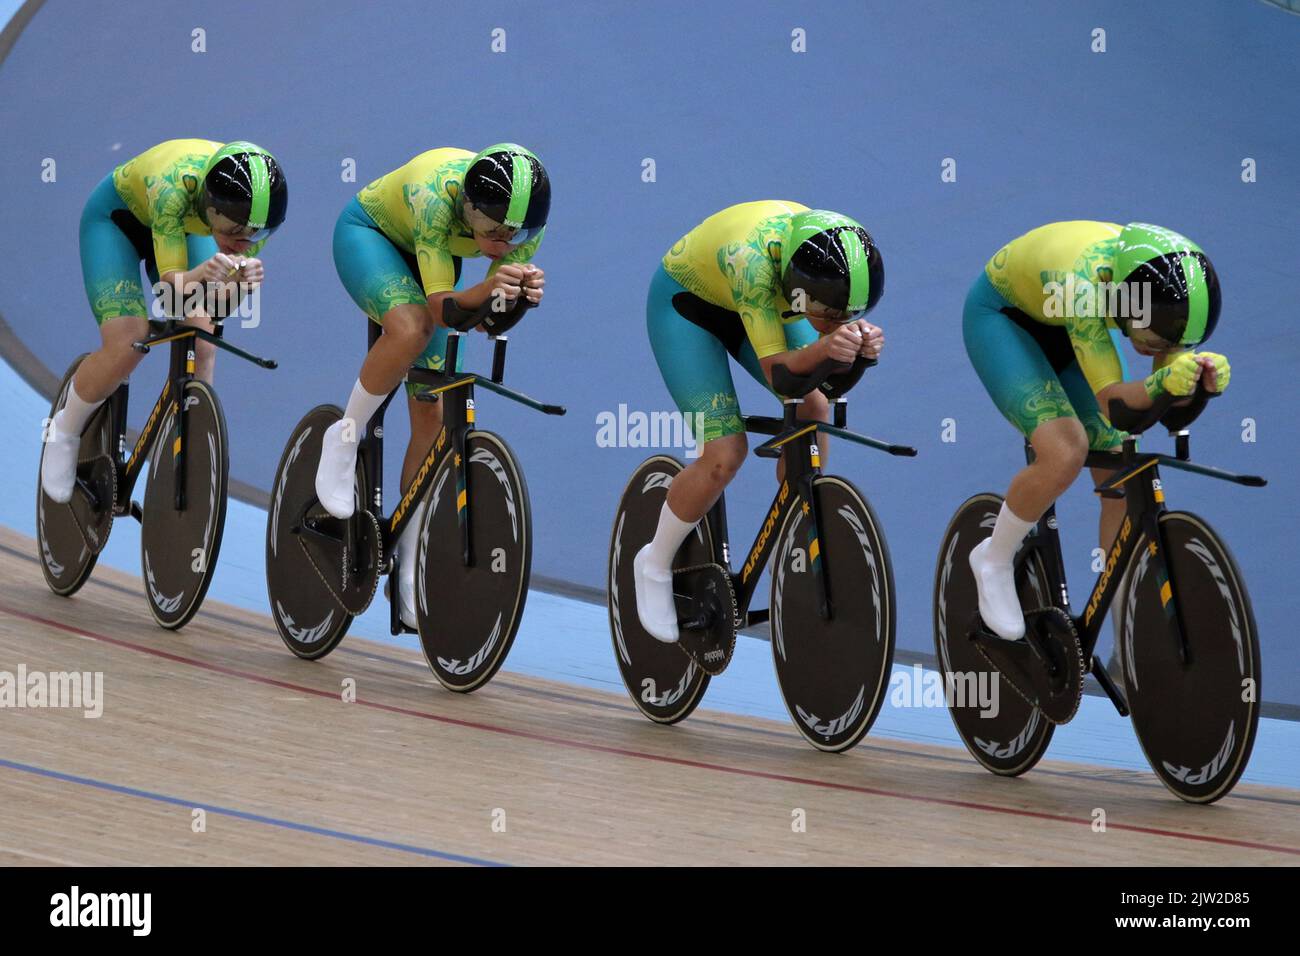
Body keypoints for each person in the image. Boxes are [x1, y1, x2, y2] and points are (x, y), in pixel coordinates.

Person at [314, 144, 548, 627]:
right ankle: (344, 435)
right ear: (470, 207)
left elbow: (484, 322)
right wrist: (490, 288)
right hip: (372, 238)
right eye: (495, 230)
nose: (505, 243)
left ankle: (408, 558)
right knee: (411, 327)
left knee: (431, 412)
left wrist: (519, 300)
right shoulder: (436, 195)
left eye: (516, 235)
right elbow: (443, 310)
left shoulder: (527, 225)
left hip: (436, 260)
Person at [634, 202, 885, 643]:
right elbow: (782, 376)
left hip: (758, 306)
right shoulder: (754, 265)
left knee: (814, 410)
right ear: (802, 290)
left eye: (849, 315)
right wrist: (830, 350)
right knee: (725, 454)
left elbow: (823, 388)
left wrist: (857, 356)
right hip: (688, 308)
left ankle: (800, 518)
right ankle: (653, 562)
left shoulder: (823, 276)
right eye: (831, 314)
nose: (836, 324)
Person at [963, 221, 1228, 640]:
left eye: (1166, 344)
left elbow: (1169, 416)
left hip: (1069, 326)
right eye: (1148, 338)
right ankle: (993, 558)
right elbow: (1115, 406)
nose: (1153, 350)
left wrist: (1196, 386)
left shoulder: (1165, 302)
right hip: (1006, 322)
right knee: (1066, 451)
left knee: (1122, 471)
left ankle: (1126, 629)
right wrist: (1162, 383)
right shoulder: (1085, 289)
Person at [40, 139, 287, 503]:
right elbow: (173, 291)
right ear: (210, 205)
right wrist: (203, 273)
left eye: (253, 234)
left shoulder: (253, 224)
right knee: (129, 342)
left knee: (203, 336)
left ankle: (195, 444)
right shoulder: (174, 190)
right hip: (117, 225)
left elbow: (215, 308)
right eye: (233, 229)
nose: (242, 242)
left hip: (182, 231)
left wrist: (240, 289)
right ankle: (64, 429)